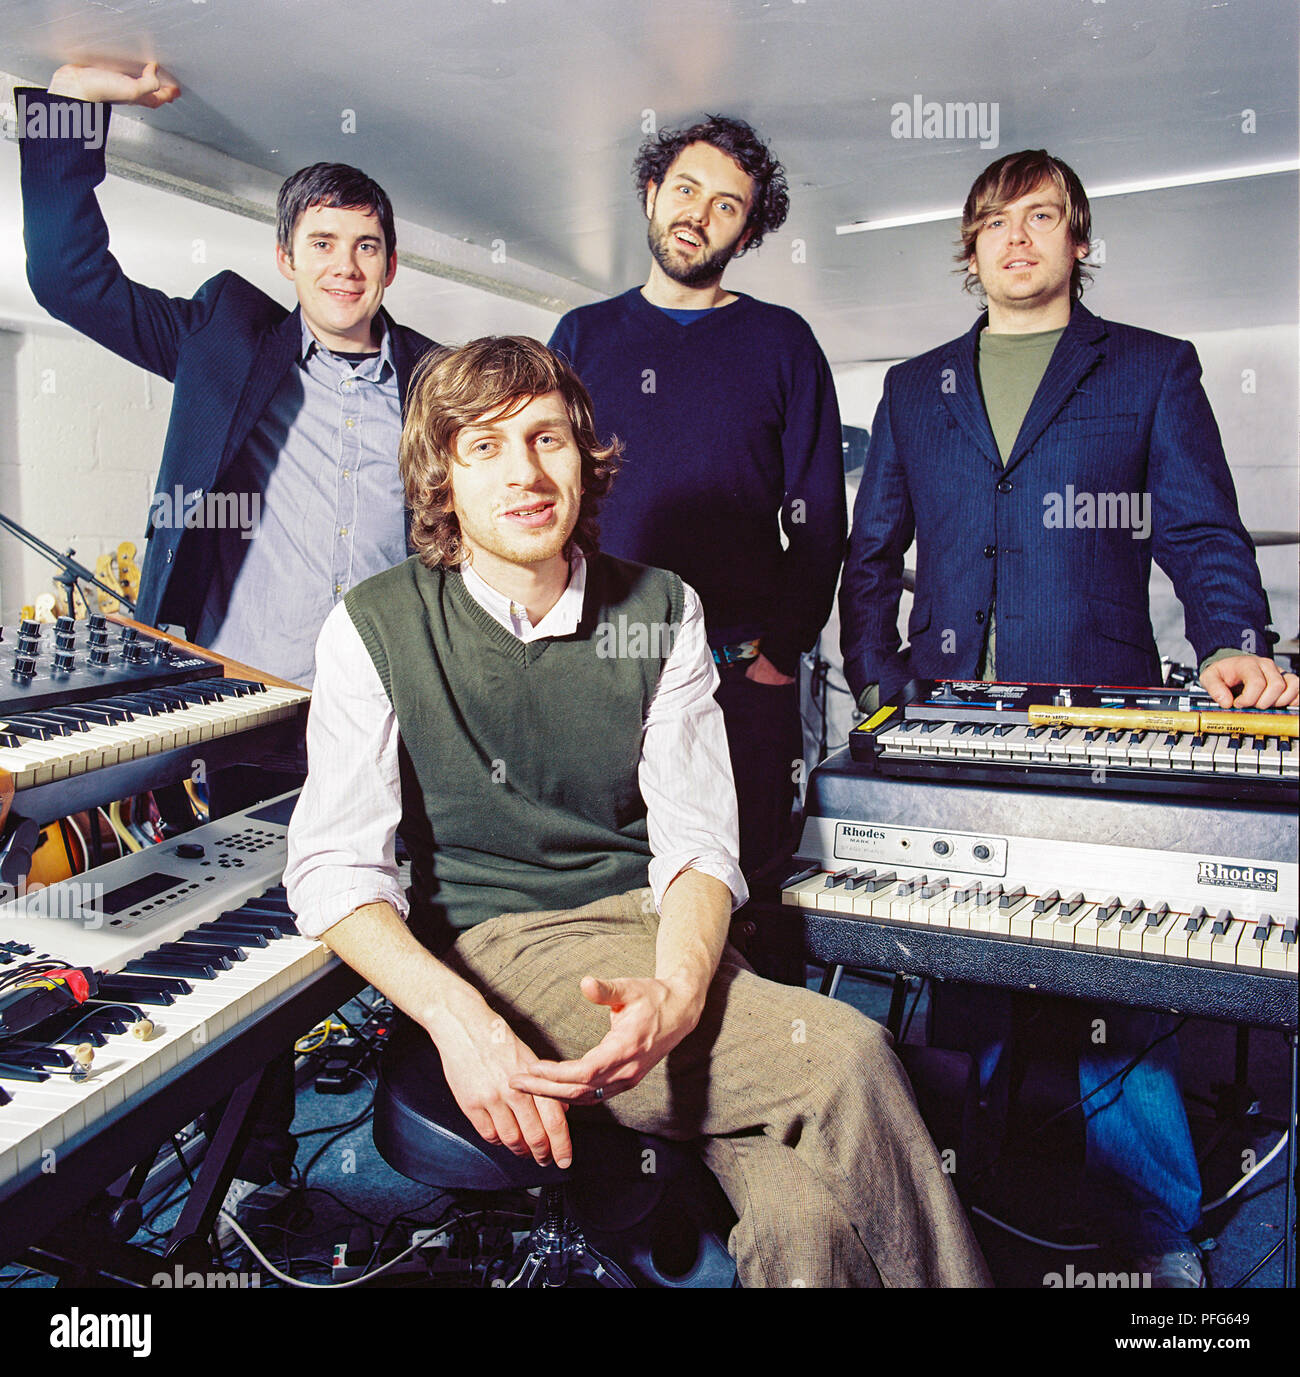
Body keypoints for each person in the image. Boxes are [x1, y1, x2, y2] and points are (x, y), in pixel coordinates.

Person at [284, 335, 990, 1288]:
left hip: (664, 939)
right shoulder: (372, 624)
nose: (525, 472)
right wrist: (462, 1023)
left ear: (584, 454)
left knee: (804, 1211)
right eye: (483, 447)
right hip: (512, 951)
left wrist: (681, 989)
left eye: (547, 439)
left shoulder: (664, 608)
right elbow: (333, 872)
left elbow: (700, 844)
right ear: (441, 480)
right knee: (847, 1054)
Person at [838, 148, 1298, 1286]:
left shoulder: (1149, 371)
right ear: (971, 247)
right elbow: (870, 552)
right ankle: (960, 1201)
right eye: (994, 222)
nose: (1017, 238)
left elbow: (1198, 536)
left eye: (1041, 218)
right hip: (943, 719)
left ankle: (1154, 1235)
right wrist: (875, 677)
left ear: (1078, 239)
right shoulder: (914, 387)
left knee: (1114, 963)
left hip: (1096, 713)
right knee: (957, 953)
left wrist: (1234, 643)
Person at [17, 60, 435, 1197]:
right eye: (323, 244)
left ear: (388, 262)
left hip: (387, 715)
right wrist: (64, 100)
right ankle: (245, 1182)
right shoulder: (224, 339)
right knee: (244, 946)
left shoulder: (439, 385)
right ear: (288, 255)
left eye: (366, 246)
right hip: (245, 704)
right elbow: (64, 279)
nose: (346, 268)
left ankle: (408, 1137)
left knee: (389, 925)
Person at [548, 115, 846, 876]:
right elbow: (548, 498)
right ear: (650, 194)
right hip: (597, 672)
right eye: (685, 189)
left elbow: (818, 516)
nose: (698, 214)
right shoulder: (581, 337)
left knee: (745, 893)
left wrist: (781, 655)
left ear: (745, 235)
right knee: (605, 886)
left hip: (739, 683)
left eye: (726, 205)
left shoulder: (783, 342)